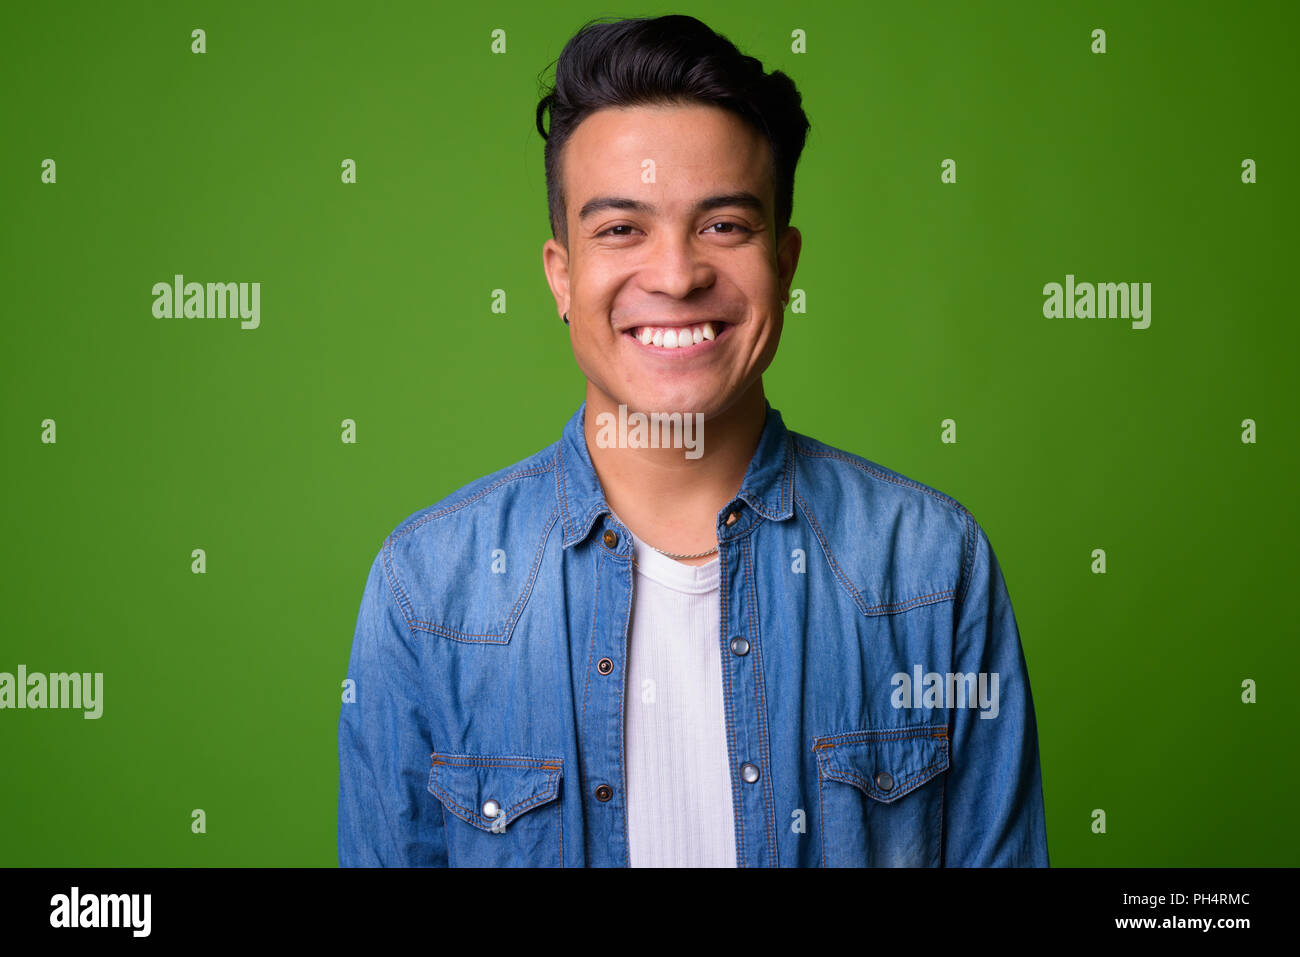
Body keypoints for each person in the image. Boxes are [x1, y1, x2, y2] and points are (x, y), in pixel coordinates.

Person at [338, 13, 1049, 867]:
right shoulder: (426, 592)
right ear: (561, 277)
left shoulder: (935, 567)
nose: (676, 275)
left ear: (784, 264)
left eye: (723, 226)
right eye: (620, 229)